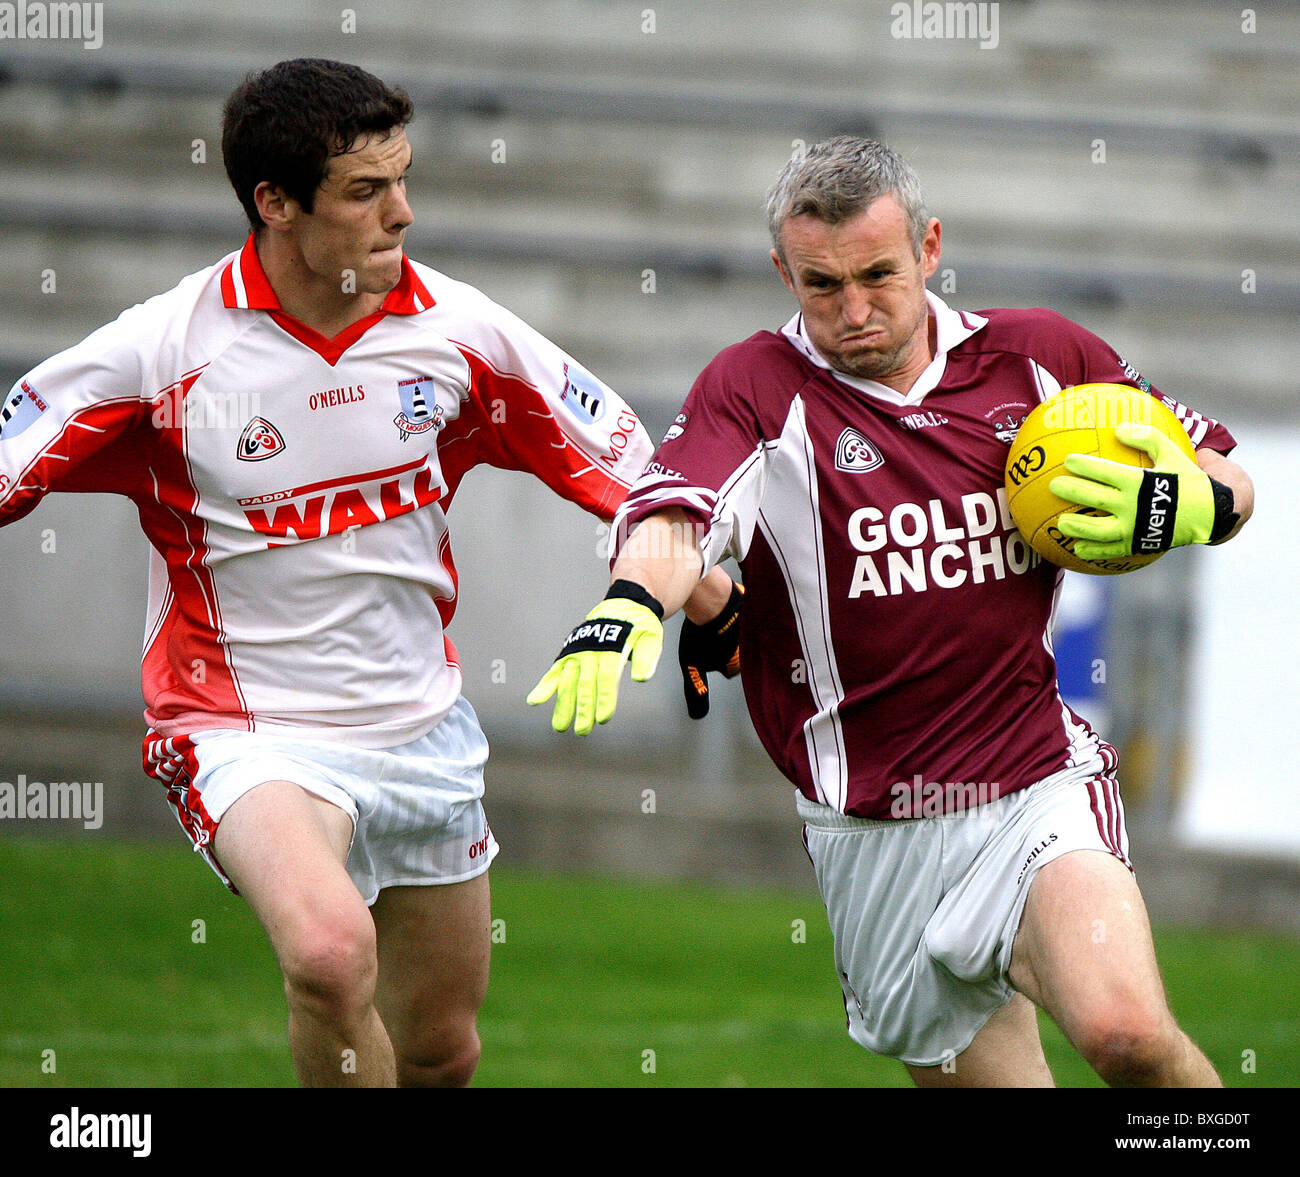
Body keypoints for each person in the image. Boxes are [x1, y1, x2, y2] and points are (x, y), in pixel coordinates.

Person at [0, 57, 726, 1088]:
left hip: (422, 732)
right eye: (366, 191)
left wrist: (702, 593)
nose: (404, 213)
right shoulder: (162, 353)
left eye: (404, 179)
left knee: (440, 1049)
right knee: (331, 957)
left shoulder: (458, 332)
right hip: (246, 731)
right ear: (275, 203)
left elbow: (639, 477)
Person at [529, 136, 1255, 1087]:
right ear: (782, 271)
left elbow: (1226, 475)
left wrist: (1189, 506)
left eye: (878, 273)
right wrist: (625, 603)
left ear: (930, 247)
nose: (855, 310)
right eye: (821, 285)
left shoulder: (1038, 357)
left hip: (1033, 784)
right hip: (872, 836)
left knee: (1125, 1034)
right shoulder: (754, 387)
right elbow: (676, 512)